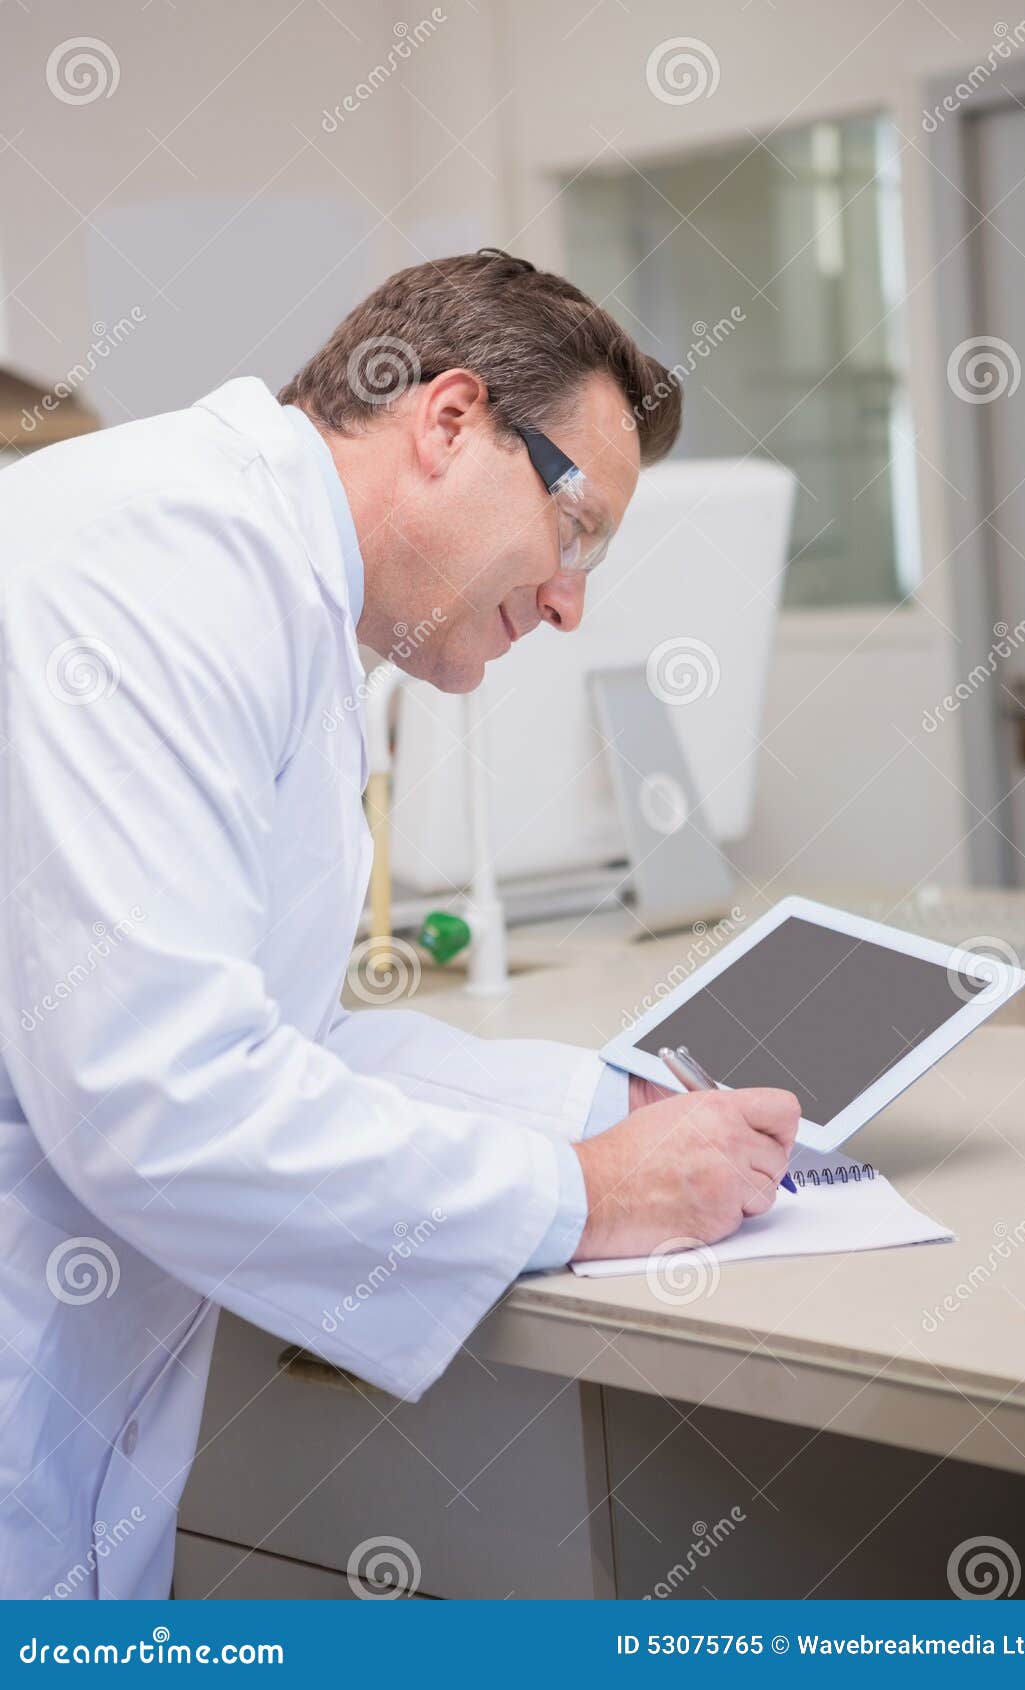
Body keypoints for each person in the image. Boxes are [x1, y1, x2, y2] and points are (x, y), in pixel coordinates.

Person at [0, 249, 798, 1599]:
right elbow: (159, 1099)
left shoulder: (284, 594)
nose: (569, 599)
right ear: (446, 421)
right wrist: (586, 1195)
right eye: (577, 529)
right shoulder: (158, 556)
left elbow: (282, 1040)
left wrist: (606, 1101)